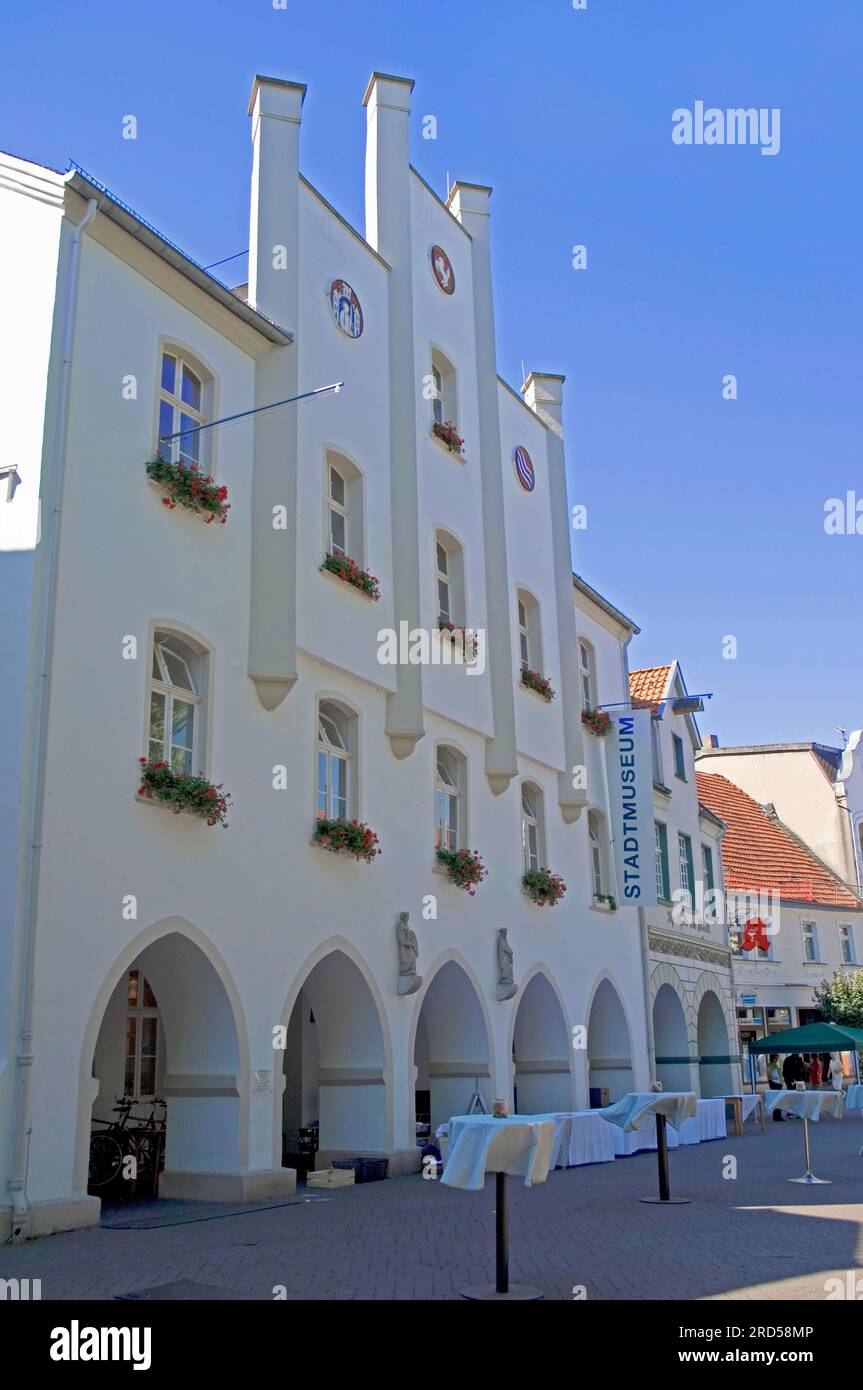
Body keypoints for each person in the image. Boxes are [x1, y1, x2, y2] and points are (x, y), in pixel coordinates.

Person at [767, 1055, 785, 1121]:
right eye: (776, 1058)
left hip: (777, 1084)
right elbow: (770, 1076)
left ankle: (776, 1116)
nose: (777, 1059)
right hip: (776, 1084)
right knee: (778, 1101)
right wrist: (778, 1080)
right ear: (773, 1058)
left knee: (776, 1100)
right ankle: (778, 1117)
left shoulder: (773, 1065)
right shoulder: (771, 1065)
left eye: (777, 1058)